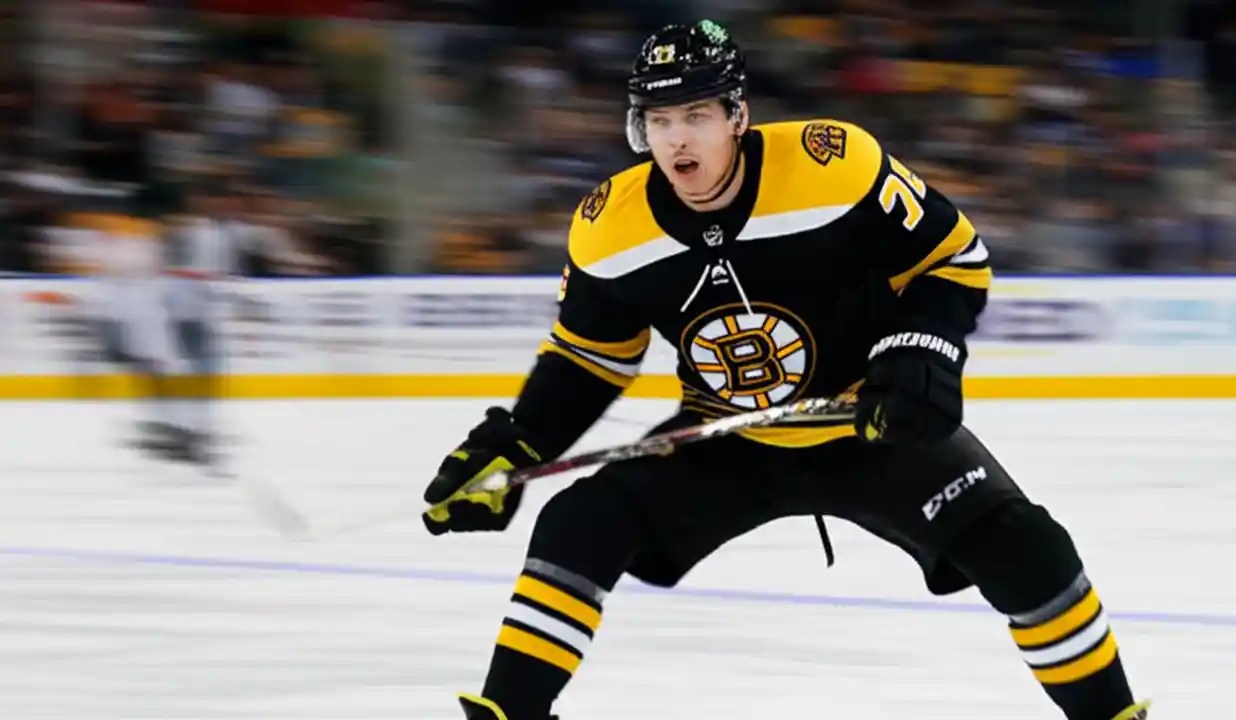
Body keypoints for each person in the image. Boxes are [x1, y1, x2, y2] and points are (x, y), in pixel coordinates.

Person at [422, 20, 1149, 720]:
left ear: (738, 116)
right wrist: (517, 443)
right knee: (577, 524)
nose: (677, 138)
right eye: (660, 119)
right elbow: (587, 358)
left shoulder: (835, 166)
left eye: (697, 115)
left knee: (1030, 550)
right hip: (726, 439)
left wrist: (922, 349)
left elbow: (950, 260)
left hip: (869, 422)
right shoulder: (608, 227)